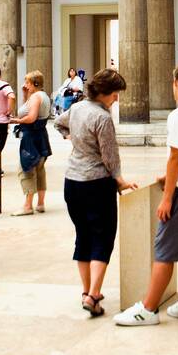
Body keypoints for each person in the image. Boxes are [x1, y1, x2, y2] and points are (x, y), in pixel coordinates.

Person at [116, 62, 178, 327]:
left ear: (175, 83)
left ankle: (148, 310)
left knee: (164, 250)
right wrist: (167, 178)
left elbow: (176, 157)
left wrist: (168, 196)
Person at [54, 68, 137, 316]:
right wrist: (120, 180)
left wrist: (72, 138)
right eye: (115, 94)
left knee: (83, 237)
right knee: (102, 238)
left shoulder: (78, 108)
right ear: (104, 93)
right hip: (97, 184)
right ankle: (93, 294)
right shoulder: (102, 117)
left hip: (73, 181)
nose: (116, 99)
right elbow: (109, 155)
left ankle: (87, 291)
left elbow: (59, 122)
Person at [8, 70, 52, 216]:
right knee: (40, 170)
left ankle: (27, 206)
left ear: (35, 83)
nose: (25, 84)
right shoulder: (42, 95)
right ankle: (40, 203)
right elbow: (29, 111)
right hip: (40, 136)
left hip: (31, 136)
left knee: (26, 168)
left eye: (27, 82)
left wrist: (17, 121)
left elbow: (31, 117)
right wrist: (25, 94)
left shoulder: (36, 97)